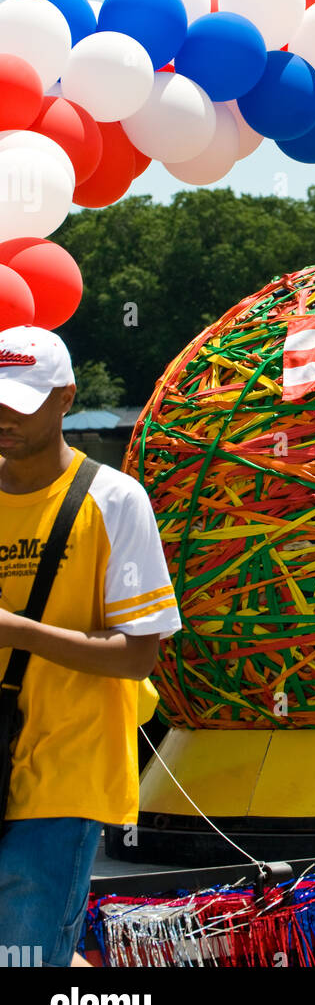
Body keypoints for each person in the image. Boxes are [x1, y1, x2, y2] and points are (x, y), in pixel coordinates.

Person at [0, 327, 181, 967]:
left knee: (22, 957)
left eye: (20, 403)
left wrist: (16, 631)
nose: (4, 419)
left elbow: (138, 655)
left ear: (66, 397)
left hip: (65, 776)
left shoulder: (114, 499)